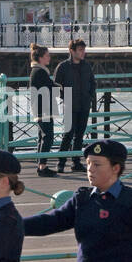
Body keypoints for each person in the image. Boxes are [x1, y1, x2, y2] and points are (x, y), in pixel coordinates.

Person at [54, 39, 96, 174]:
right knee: (68, 134)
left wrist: (90, 96)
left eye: (84, 50)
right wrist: (64, 97)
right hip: (69, 104)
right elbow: (56, 84)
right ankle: (60, 162)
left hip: (84, 104)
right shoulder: (63, 66)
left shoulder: (86, 66)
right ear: (72, 51)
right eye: (80, 50)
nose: (83, 53)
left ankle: (76, 162)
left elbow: (92, 82)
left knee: (79, 135)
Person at [30, 44, 58, 177]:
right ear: (40, 58)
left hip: (40, 107)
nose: (49, 58)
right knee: (48, 137)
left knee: (43, 136)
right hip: (43, 108)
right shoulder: (40, 71)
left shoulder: (37, 71)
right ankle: (42, 166)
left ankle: (40, 164)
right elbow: (49, 87)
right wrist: (61, 88)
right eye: (47, 55)